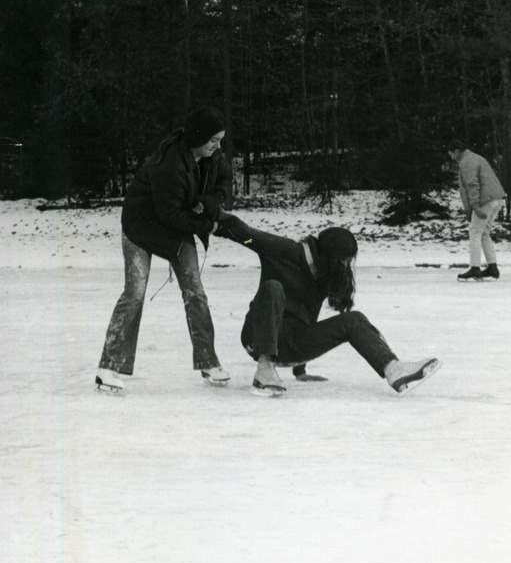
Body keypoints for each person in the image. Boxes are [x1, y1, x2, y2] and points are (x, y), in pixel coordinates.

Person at [214, 213, 441, 397]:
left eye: (348, 263)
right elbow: (246, 235)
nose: (346, 268)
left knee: (354, 319)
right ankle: (264, 368)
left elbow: (307, 318)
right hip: (257, 337)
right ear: (328, 257)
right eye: (343, 262)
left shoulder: (325, 275)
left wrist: (300, 370)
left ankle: (393, 368)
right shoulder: (285, 251)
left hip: (292, 343)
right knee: (273, 287)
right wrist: (212, 218)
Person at [95, 106, 232, 393]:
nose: (218, 145)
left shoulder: (212, 156)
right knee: (134, 294)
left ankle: (208, 361)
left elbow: (224, 185)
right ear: (198, 136)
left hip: (178, 229)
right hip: (141, 228)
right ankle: (109, 367)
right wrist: (206, 226)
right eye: (213, 140)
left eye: (220, 140)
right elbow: (170, 215)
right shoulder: (170, 164)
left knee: (195, 291)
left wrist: (207, 202)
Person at [448, 139, 505, 281]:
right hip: (496, 198)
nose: (451, 157)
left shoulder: (467, 161)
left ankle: (475, 268)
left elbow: (472, 184)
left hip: (485, 200)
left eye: (451, 154)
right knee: (484, 232)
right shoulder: (476, 157)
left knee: (474, 232)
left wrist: (474, 205)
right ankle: (492, 267)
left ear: (457, 151)